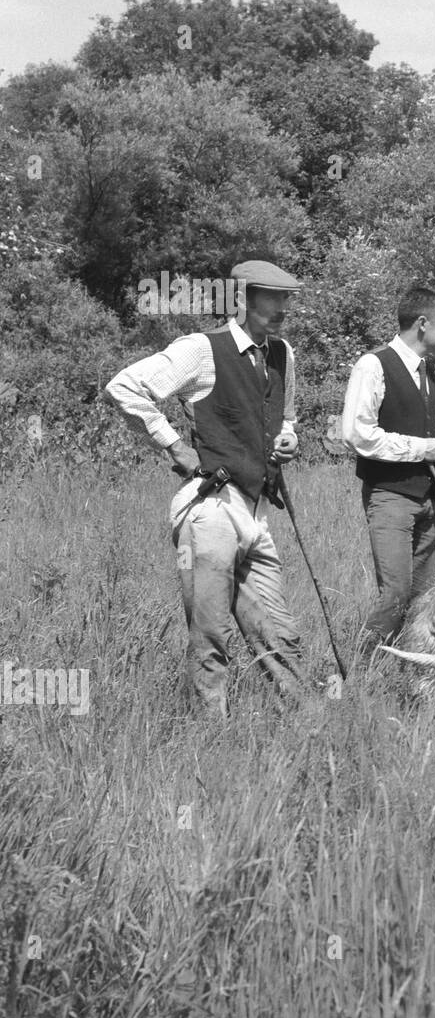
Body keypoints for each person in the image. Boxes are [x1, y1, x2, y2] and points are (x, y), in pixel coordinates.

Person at [106, 260, 311, 718]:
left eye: (286, 299)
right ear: (242, 298)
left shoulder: (283, 354)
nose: (281, 308)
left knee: (280, 633)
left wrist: (288, 440)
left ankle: (307, 729)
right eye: (270, 298)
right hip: (210, 512)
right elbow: (125, 386)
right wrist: (175, 447)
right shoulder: (202, 348)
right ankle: (210, 735)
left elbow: (288, 417)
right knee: (210, 634)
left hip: (256, 515)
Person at [341, 286, 435, 652]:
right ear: (421, 323)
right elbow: (355, 434)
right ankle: (361, 668)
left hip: (428, 499)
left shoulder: (431, 375)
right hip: (390, 498)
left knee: (425, 598)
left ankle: (411, 672)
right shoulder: (373, 364)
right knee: (396, 593)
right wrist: (422, 447)